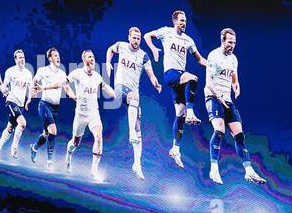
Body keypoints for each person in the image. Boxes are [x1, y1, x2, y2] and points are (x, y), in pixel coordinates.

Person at [144, 10, 207, 169]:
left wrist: (213, 66)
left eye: (185, 21)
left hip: (179, 80)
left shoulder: (188, 40)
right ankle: (192, 111)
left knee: (180, 114)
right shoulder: (166, 32)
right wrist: (153, 49)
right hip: (170, 74)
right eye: (181, 20)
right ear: (174, 22)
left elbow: (199, 59)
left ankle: (175, 148)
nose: (183, 23)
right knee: (193, 78)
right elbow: (147, 36)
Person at [203, 28, 266, 185]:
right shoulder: (213, 56)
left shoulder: (234, 59)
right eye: (230, 42)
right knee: (219, 131)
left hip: (227, 100)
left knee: (239, 135)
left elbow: (234, 79)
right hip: (213, 97)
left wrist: (237, 87)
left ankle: (249, 171)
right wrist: (219, 97)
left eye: (234, 43)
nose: (232, 45)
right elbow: (208, 83)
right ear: (223, 40)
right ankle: (214, 169)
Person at [104, 26, 162, 178]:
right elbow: (110, 49)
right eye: (134, 38)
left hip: (132, 92)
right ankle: (130, 134)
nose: (136, 40)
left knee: (138, 127)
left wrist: (156, 83)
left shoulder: (144, 56)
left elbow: (151, 74)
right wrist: (108, 63)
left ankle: (137, 164)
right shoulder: (121, 46)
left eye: (138, 38)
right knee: (135, 99)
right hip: (119, 88)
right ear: (129, 37)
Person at [64, 50, 116, 181]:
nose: (92, 59)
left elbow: (105, 87)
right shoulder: (76, 73)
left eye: (93, 56)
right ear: (84, 59)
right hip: (81, 114)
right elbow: (64, 84)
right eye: (89, 57)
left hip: (94, 113)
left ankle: (94, 170)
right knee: (75, 143)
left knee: (98, 137)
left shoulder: (97, 76)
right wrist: (71, 94)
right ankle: (69, 155)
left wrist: (114, 94)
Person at [0, 49, 34, 159]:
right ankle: (14, 147)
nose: (22, 59)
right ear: (15, 59)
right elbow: (4, 86)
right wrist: (3, 90)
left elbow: (30, 88)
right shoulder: (10, 71)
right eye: (20, 57)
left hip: (21, 104)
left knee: (10, 127)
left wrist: (29, 100)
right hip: (11, 101)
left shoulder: (28, 73)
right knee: (22, 124)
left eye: (23, 57)